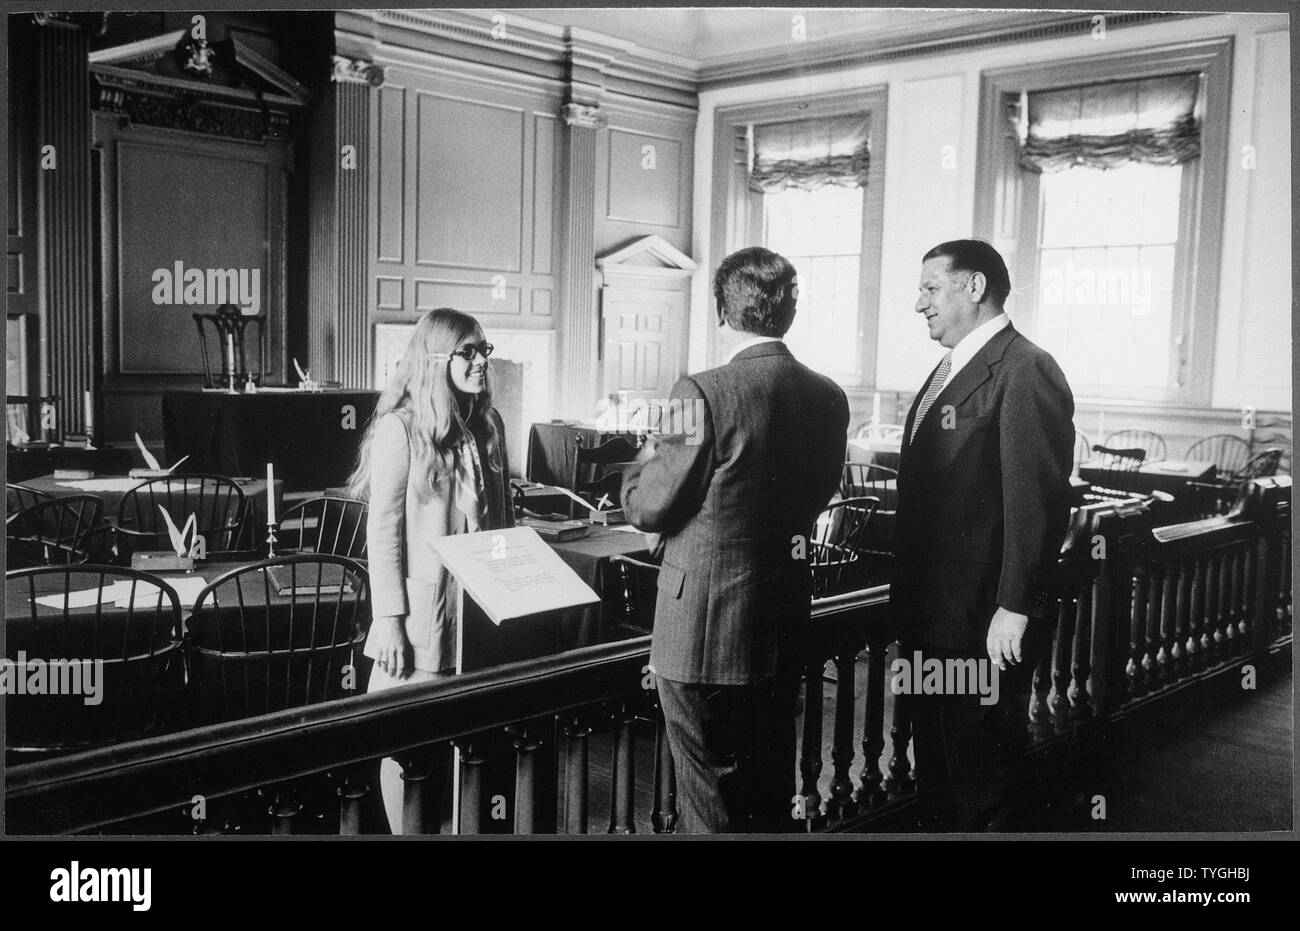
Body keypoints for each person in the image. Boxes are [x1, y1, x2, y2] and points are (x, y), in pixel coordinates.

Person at [622, 246, 849, 833]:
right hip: (782, 622)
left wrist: (644, 459)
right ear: (788, 313)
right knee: (767, 792)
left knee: (708, 802)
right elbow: (815, 493)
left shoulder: (698, 391)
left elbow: (649, 505)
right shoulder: (828, 396)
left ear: (722, 311)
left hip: (702, 631)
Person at [893, 239, 1074, 831]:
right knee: (938, 771)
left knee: (982, 779)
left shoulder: (1026, 367)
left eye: (930, 288)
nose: (919, 303)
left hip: (981, 624)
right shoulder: (952, 367)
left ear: (974, 287)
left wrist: (1016, 606)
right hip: (931, 617)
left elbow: (1036, 502)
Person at [345, 307, 515, 834]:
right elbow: (383, 532)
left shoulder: (489, 426)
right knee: (405, 748)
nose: (481, 361)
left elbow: (504, 521)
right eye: (468, 351)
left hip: (478, 613)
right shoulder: (400, 428)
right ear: (436, 359)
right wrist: (389, 621)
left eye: (484, 350)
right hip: (421, 617)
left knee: (470, 741)